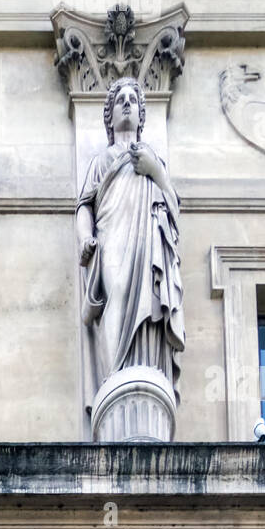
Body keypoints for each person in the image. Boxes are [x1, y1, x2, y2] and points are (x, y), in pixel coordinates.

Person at [75, 76, 185, 400]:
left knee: (148, 301)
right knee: (118, 294)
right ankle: (114, 379)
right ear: (109, 117)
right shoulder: (102, 160)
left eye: (133, 100)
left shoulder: (151, 158)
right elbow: (84, 206)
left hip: (147, 239)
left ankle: (146, 369)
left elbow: (173, 207)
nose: (127, 103)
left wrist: (156, 172)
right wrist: (85, 238)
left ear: (141, 116)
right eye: (120, 99)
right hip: (111, 238)